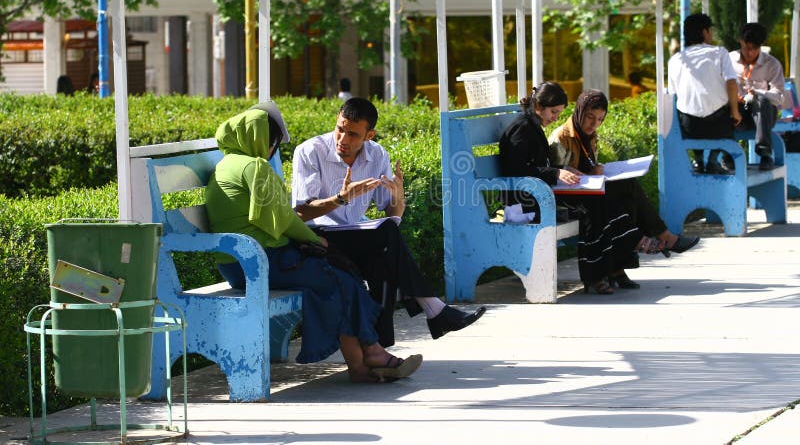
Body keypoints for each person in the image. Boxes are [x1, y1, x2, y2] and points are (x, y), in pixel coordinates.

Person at [204, 101, 422, 383]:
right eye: (273, 144)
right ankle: (373, 353)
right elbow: (281, 220)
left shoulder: (226, 165)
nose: (272, 152)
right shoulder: (254, 167)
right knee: (341, 278)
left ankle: (362, 364)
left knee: (340, 279)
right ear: (261, 141)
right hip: (259, 262)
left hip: (237, 266)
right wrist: (315, 240)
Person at [291, 97, 486, 347]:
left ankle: (381, 348)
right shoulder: (310, 151)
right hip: (318, 238)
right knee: (385, 237)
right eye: (340, 129)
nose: (343, 140)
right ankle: (434, 309)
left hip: (355, 236)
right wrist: (341, 198)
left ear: (369, 135)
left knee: (381, 259)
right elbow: (302, 214)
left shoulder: (377, 154)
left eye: (353, 134)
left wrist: (398, 195)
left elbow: (392, 215)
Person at [498, 82, 668, 294]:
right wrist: (557, 173)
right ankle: (621, 251)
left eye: (559, 112)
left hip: (541, 193)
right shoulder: (522, 130)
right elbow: (518, 171)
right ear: (538, 105)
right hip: (528, 202)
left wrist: (564, 169)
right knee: (595, 205)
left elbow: (537, 166)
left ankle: (616, 258)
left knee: (610, 196)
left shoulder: (532, 127)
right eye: (553, 111)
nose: (556, 117)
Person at [548, 89, 700, 289]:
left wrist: (596, 170)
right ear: (579, 112)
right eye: (590, 117)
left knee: (628, 188)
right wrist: (586, 174)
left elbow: (588, 165)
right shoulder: (562, 137)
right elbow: (557, 176)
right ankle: (648, 243)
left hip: (588, 191)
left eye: (600, 119)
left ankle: (620, 265)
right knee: (612, 204)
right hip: (566, 199)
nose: (594, 124)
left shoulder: (590, 135)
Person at [667, 13, 742, 175]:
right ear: (705, 32)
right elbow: (731, 83)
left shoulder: (676, 60)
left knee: (688, 109)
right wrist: (735, 111)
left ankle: (698, 161)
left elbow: (672, 95)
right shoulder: (720, 52)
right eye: (710, 30)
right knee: (730, 112)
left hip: (690, 127)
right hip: (719, 127)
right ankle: (713, 160)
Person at [729, 22, 785, 170]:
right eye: (747, 48)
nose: (750, 53)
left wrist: (757, 92)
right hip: (738, 111)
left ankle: (764, 153)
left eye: (755, 49)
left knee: (761, 101)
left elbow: (779, 97)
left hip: (763, 115)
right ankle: (728, 154)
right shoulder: (729, 60)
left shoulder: (772, 64)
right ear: (740, 41)